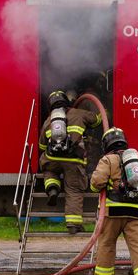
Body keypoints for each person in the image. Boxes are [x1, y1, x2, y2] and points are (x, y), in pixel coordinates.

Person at [89, 127, 138, 275]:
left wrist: (101, 186)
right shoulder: (136, 162)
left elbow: (96, 182)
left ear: (106, 144)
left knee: (106, 245)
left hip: (112, 211)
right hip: (136, 213)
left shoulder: (108, 160)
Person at [37, 90, 101, 233]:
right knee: (73, 190)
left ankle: (52, 187)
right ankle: (73, 224)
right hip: (73, 161)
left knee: (49, 170)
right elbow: (97, 120)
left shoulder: (48, 121)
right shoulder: (79, 113)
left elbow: (41, 146)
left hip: (52, 158)